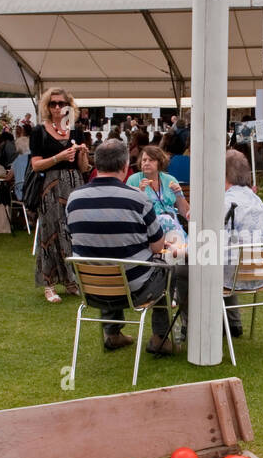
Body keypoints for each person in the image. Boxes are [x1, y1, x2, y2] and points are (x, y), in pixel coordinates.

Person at [66, 137, 182, 353]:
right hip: (135, 289)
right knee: (168, 268)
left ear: (96, 163)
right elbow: (157, 248)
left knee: (104, 257)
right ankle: (160, 337)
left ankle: (112, 333)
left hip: (91, 287)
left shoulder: (74, 199)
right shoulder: (138, 199)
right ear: (125, 165)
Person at [30, 89, 91, 302]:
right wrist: (59, 157)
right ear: (47, 106)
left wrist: (83, 154)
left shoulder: (76, 131)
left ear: (68, 106)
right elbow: (36, 165)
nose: (57, 107)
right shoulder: (39, 131)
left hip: (74, 185)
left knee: (72, 233)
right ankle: (49, 284)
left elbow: (83, 168)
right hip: (50, 187)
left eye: (61, 103)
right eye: (53, 103)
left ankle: (71, 280)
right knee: (50, 232)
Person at [223, 149, 263, 337]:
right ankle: (233, 323)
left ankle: (190, 328)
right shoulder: (258, 201)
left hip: (235, 275)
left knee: (186, 270)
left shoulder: (225, 202)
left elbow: (208, 244)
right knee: (228, 260)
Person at [127, 145, 189, 239]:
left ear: (160, 162)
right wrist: (140, 193)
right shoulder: (134, 180)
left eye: (151, 160)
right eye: (144, 160)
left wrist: (178, 195)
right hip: (147, 229)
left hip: (172, 227)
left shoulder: (170, 179)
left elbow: (185, 213)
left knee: (180, 248)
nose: (146, 163)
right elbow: (129, 211)